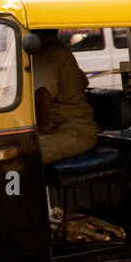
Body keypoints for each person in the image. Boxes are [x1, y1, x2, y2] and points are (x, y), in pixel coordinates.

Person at [32, 29, 98, 164]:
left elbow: (42, 94)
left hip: (72, 131)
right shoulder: (57, 51)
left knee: (27, 153)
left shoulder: (51, 53)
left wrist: (40, 127)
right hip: (63, 128)